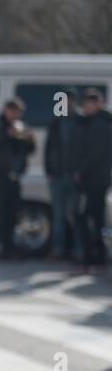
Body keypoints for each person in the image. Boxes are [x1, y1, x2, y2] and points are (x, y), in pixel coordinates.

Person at [0, 98, 35, 259]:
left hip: (15, 176)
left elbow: (28, 150)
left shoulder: (20, 127)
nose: (15, 115)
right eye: (13, 111)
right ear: (6, 110)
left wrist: (28, 139)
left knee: (12, 214)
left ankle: (8, 247)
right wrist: (7, 135)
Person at [73, 88, 111, 275]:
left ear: (98, 104)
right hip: (94, 178)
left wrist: (80, 172)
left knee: (89, 219)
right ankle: (93, 260)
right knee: (91, 219)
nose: (87, 108)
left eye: (90, 104)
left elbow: (93, 154)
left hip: (94, 180)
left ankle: (94, 260)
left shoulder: (101, 125)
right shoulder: (89, 122)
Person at [44, 91, 82, 262]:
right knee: (58, 216)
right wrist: (49, 172)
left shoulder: (81, 121)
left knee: (75, 215)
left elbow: (86, 149)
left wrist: (80, 173)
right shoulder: (56, 122)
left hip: (75, 177)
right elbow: (48, 149)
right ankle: (58, 250)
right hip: (57, 176)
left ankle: (78, 250)